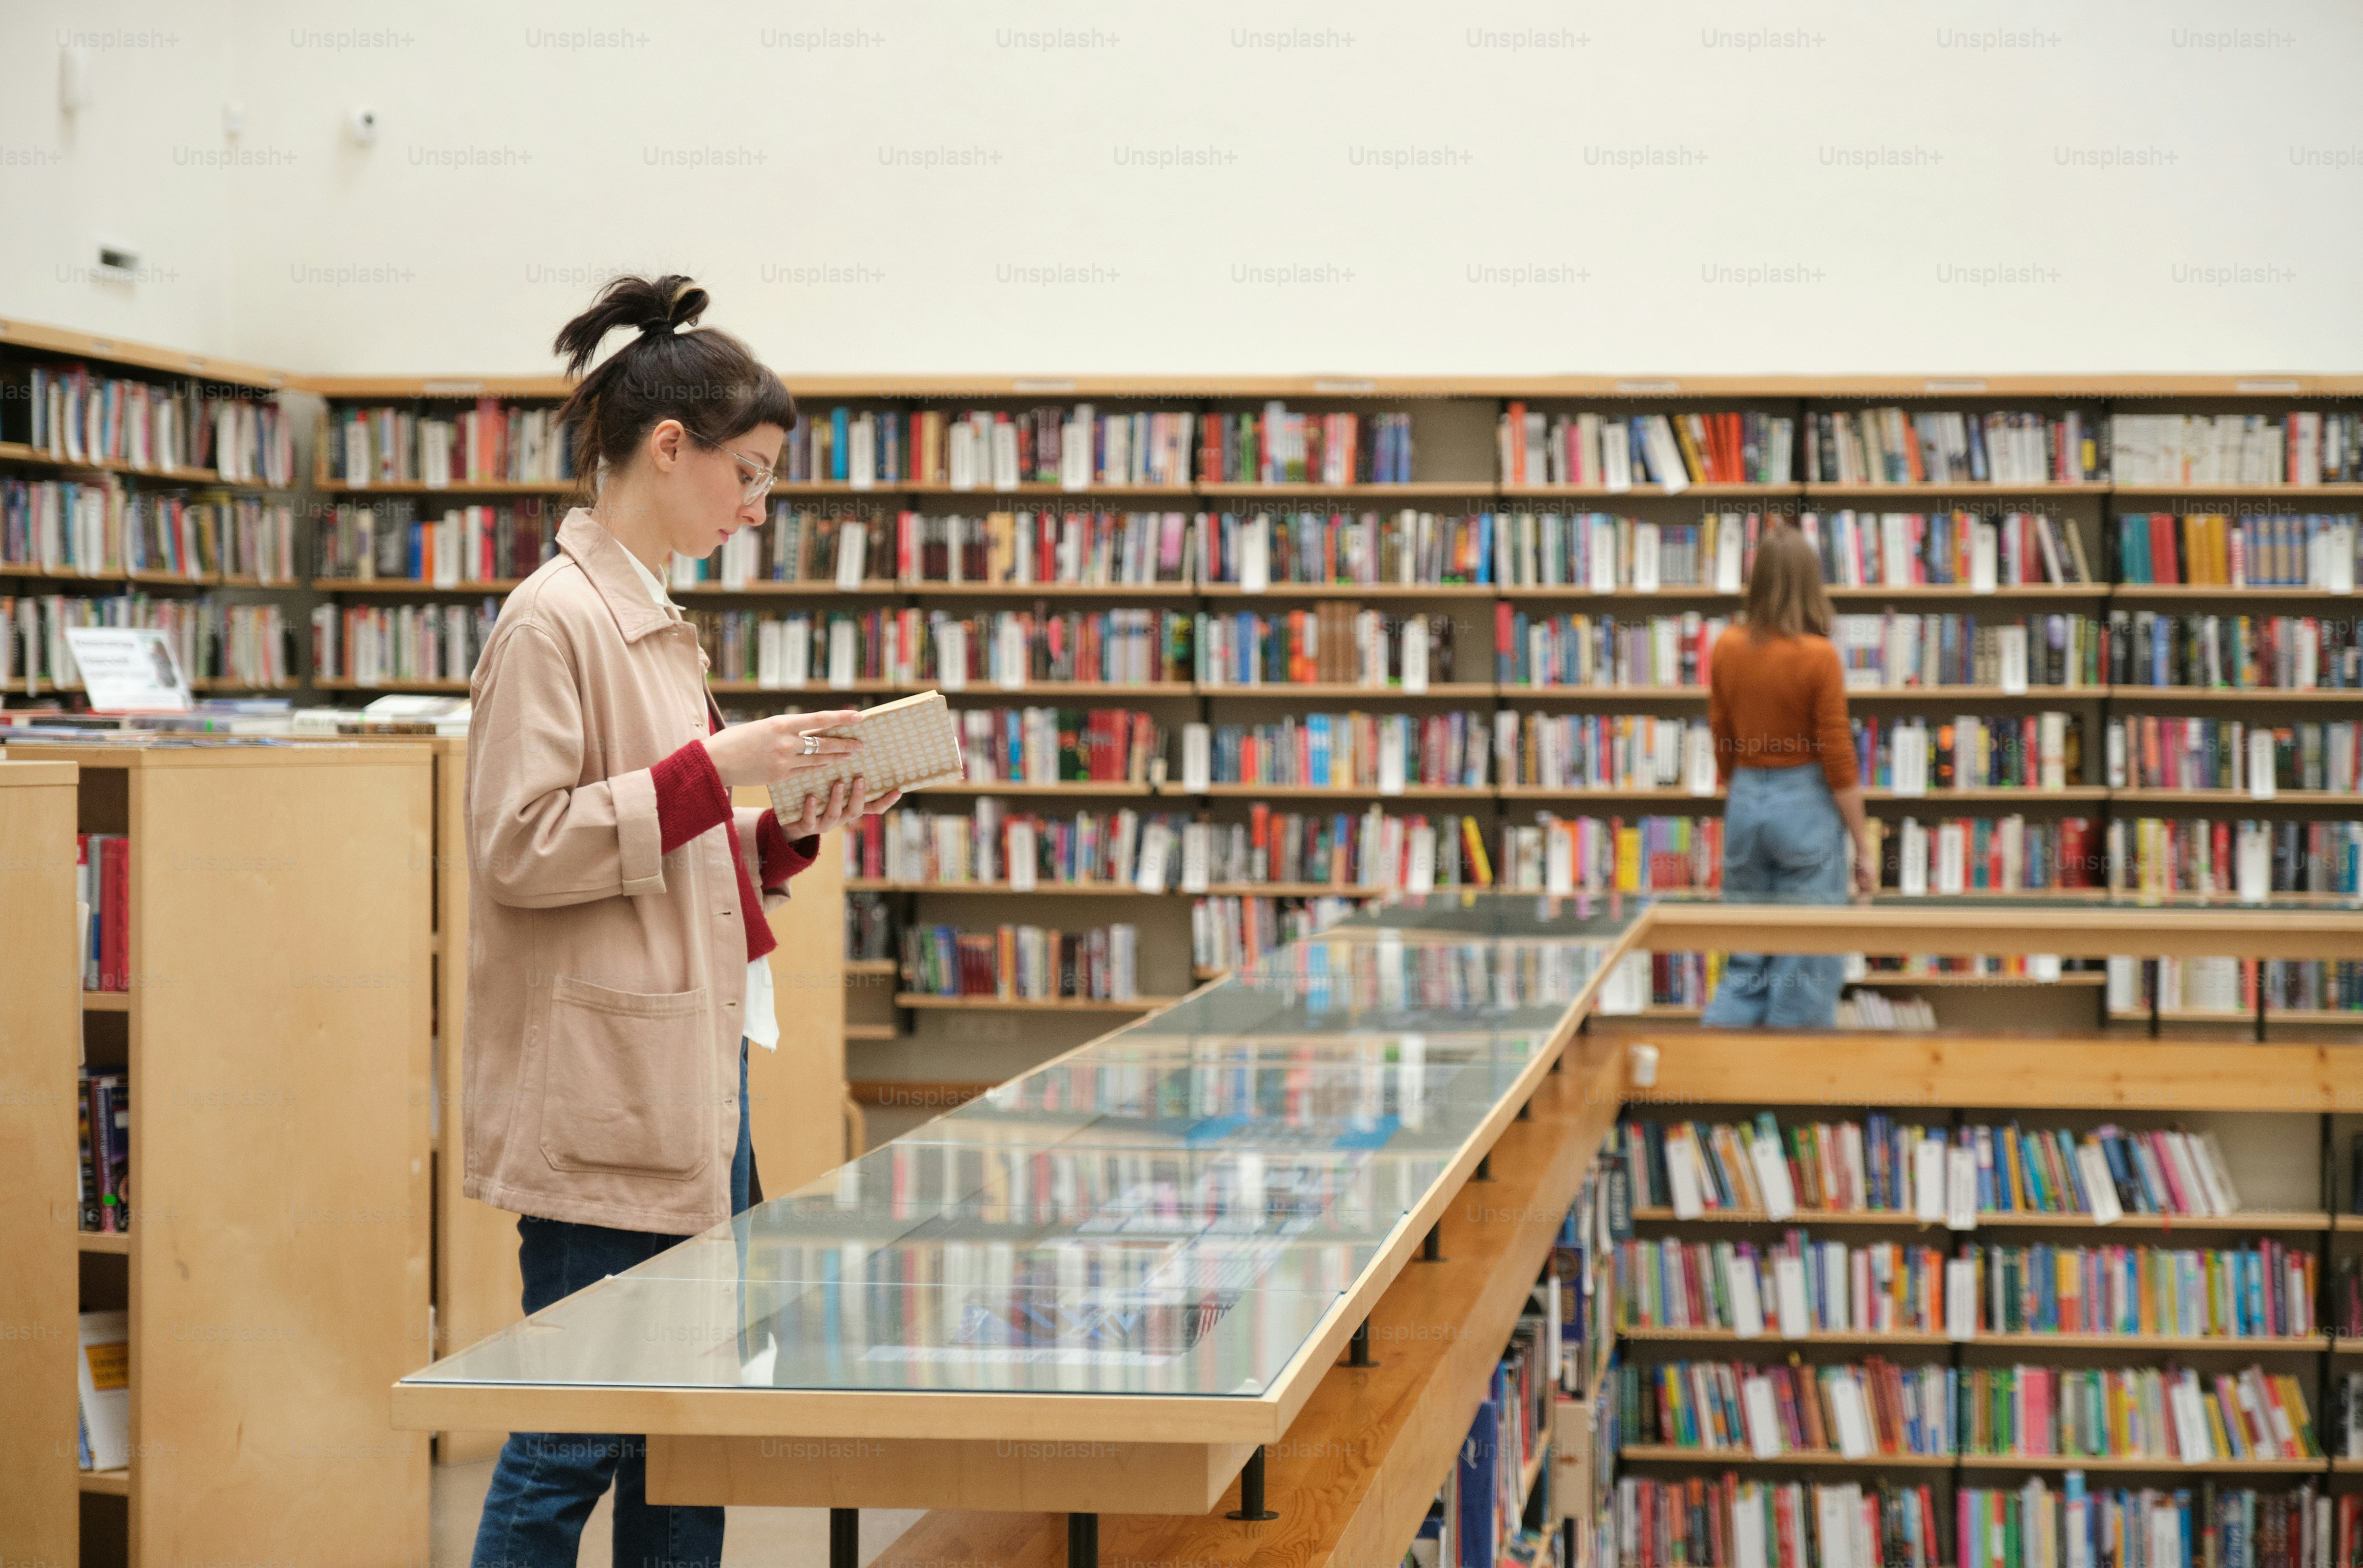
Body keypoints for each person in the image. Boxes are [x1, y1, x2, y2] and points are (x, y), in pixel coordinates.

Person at [461, 274, 898, 1568]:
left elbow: (669, 845)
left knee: (688, 1419)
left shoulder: (652, 621)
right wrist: (731, 763)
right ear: (669, 448)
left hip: (692, 1079)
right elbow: (521, 847)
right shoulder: (553, 622)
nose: (756, 504)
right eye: (748, 472)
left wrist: (790, 823)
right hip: (611, 1087)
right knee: (577, 1425)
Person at [1698, 524, 1872, 1029]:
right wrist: (1862, 846)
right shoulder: (1819, 657)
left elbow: (1720, 734)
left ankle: (1722, 1080)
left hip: (1745, 801)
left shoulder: (1726, 647)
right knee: (1806, 962)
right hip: (1805, 806)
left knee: (1745, 956)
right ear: (1808, 582)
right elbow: (1837, 757)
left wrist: (1746, 793)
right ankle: (1789, 1092)